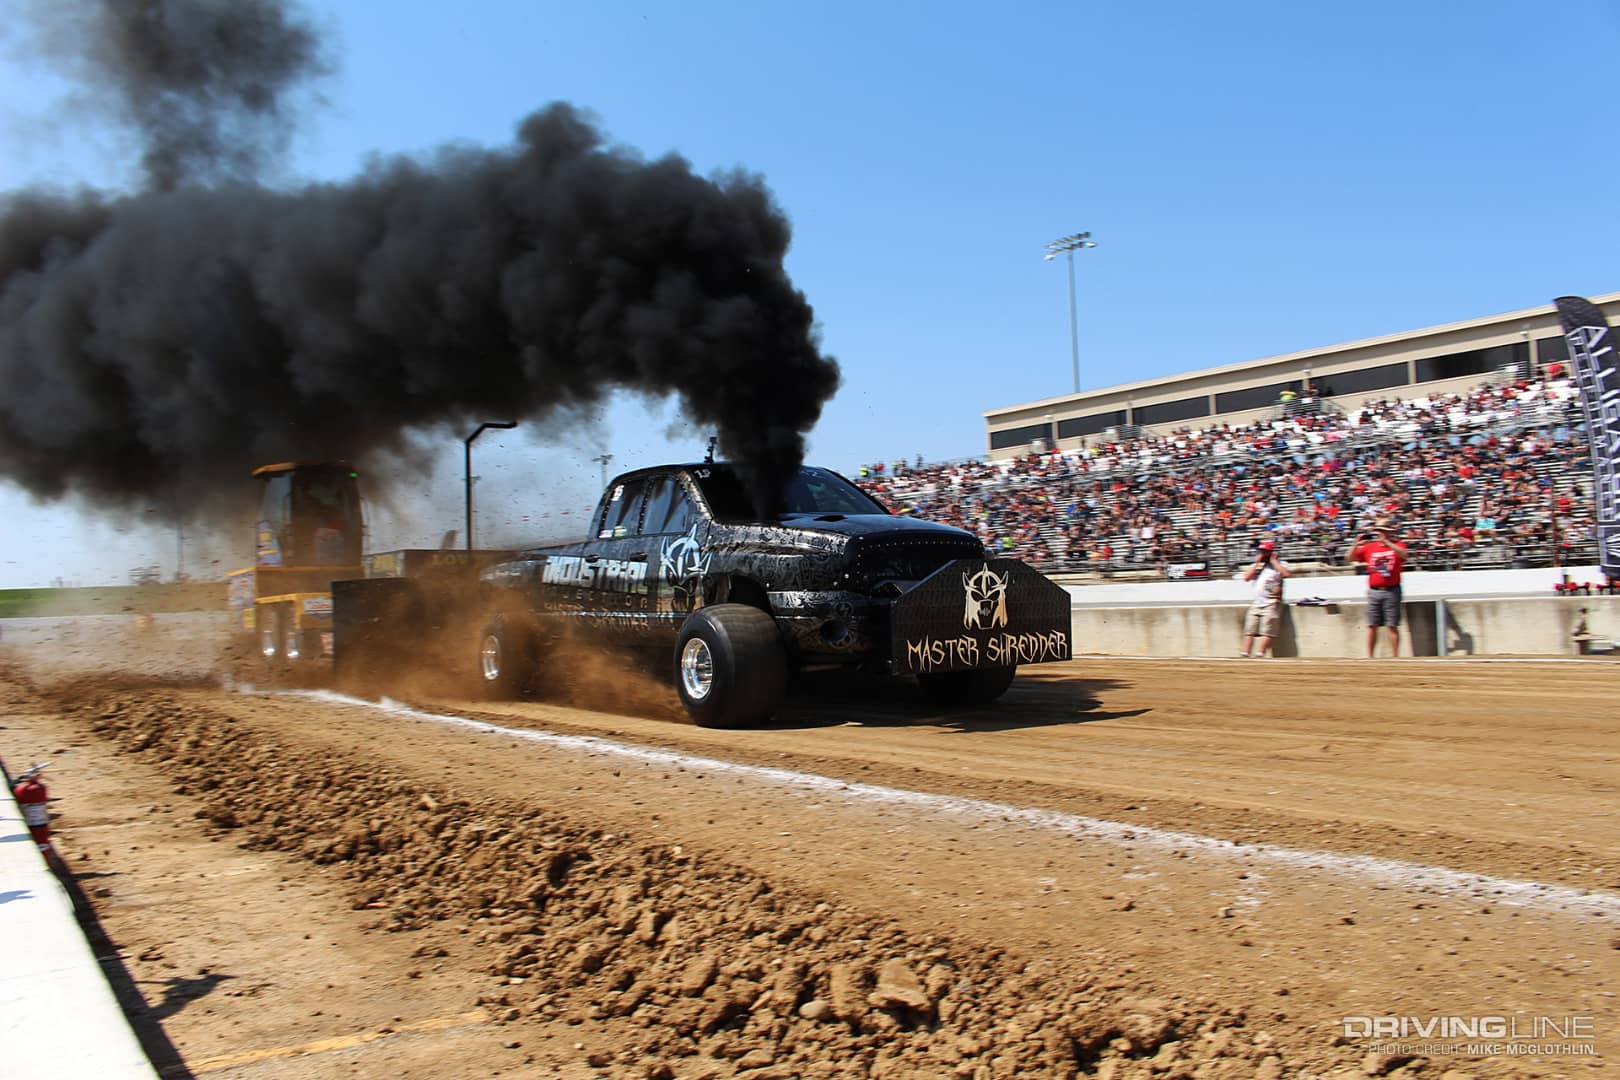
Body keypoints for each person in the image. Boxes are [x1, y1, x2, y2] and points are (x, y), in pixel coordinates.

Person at [1347, 523, 1408, 657]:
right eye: (1379, 531)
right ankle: (1370, 657)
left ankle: (1395, 656)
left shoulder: (1398, 545)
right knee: (1372, 625)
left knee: (1392, 625)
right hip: (1374, 590)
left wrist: (1388, 543)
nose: (1381, 533)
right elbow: (1350, 558)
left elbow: (1404, 555)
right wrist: (1355, 544)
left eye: (1384, 531)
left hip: (1391, 590)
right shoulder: (1370, 547)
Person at [1239, 541, 1291, 658]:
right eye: (1261, 552)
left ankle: (1260, 652)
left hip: (1272, 601)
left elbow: (1286, 574)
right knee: (1250, 629)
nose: (1263, 554)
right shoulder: (1258, 565)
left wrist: (1274, 561)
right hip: (1257, 602)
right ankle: (1246, 652)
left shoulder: (1281, 564)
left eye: (1265, 552)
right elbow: (1246, 577)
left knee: (1268, 629)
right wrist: (1257, 563)